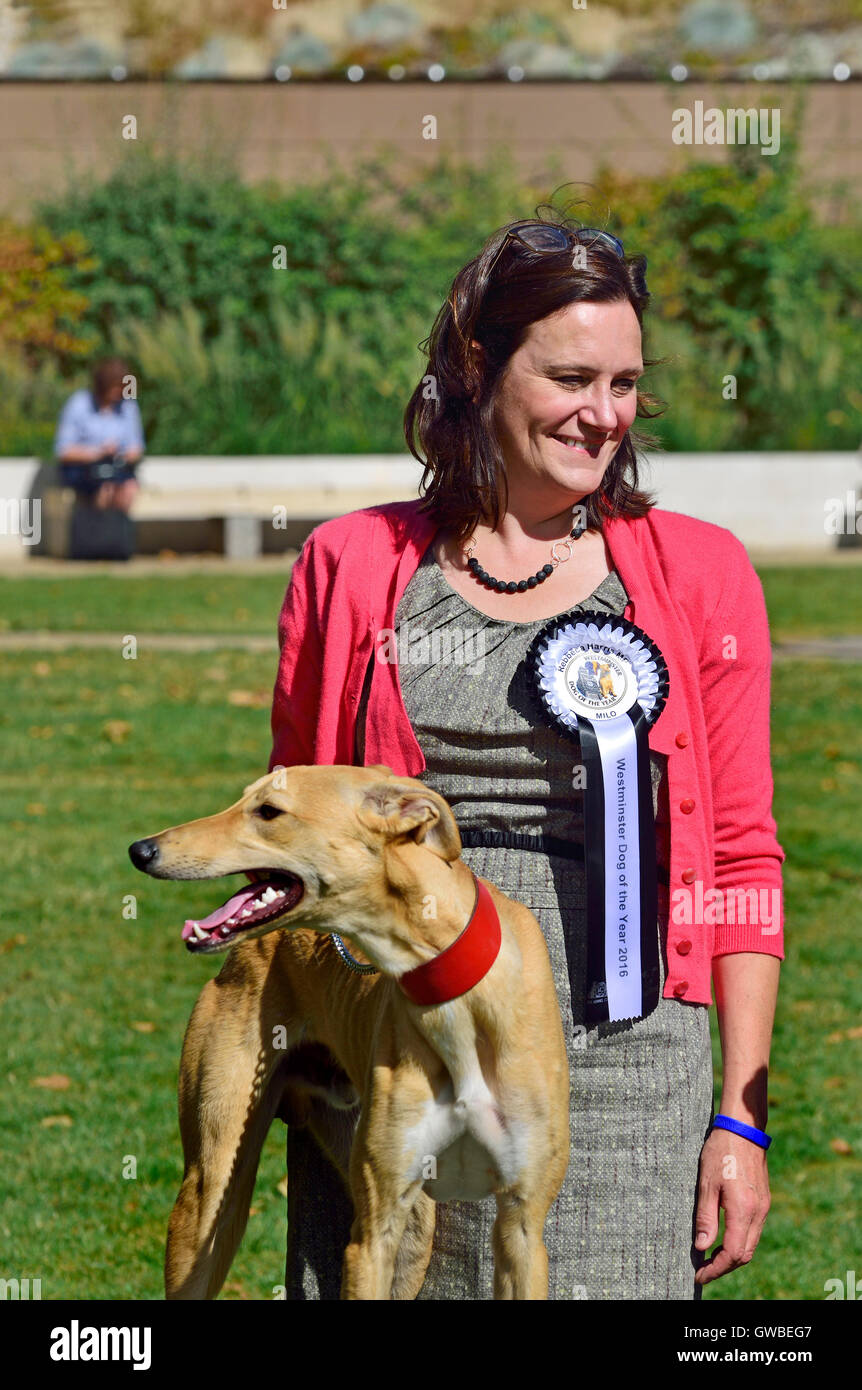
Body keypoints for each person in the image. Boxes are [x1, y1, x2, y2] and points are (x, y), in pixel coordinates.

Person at [266, 217, 785, 1299]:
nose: (605, 413)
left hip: (623, 1062)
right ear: (475, 368)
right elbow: (300, 842)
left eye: (627, 382)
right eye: (571, 377)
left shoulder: (699, 573)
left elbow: (739, 859)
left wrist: (742, 1112)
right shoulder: (350, 565)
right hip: (394, 1047)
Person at [54, 357, 144, 512]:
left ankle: (120, 533)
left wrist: (118, 454)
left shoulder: (128, 406)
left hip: (117, 467)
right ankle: (100, 534)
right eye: (114, 387)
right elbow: (63, 450)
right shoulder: (79, 403)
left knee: (128, 487)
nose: (118, 392)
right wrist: (98, 453)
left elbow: (136, 448)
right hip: (84, 470)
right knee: (105, 489)